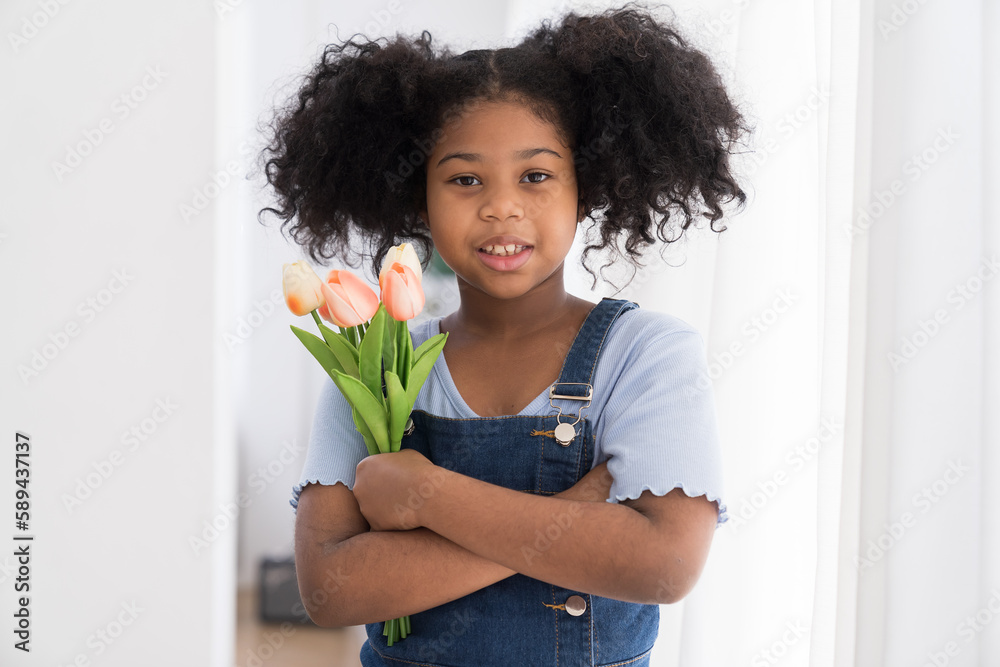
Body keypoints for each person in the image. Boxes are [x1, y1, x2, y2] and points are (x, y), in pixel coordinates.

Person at [261, 3, 749, 665]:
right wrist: (573, 512)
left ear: (586, 187)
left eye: (536, 176)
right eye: (465, 179)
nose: (501, 207)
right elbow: (330, 589)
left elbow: (662, 565)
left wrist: (427, 496)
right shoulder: (374, 367)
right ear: (418, 198)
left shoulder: (647, 355)